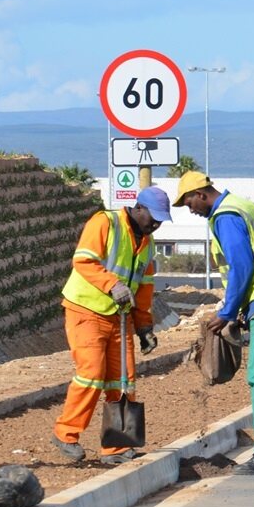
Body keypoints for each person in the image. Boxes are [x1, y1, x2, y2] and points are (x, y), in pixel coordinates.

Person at [173, 172, 254, 475]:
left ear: (202, 193)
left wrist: (228, 312)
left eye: (189, 202)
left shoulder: (225, 216)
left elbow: (242, 265)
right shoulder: (241, 205)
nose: (190, 209)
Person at [51, 185, 170, 464]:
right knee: (91, 373)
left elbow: (144, 290)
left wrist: (144, 327)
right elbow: (83, 260)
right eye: (153, 217)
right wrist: (112, 284)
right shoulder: (105, 222)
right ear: (138, 208)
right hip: (86, 310)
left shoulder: (147, 244)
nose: (156, 224)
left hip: (121, 317)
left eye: (161, 220)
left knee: (124, 380)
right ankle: (65, 433)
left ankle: (116, 446)